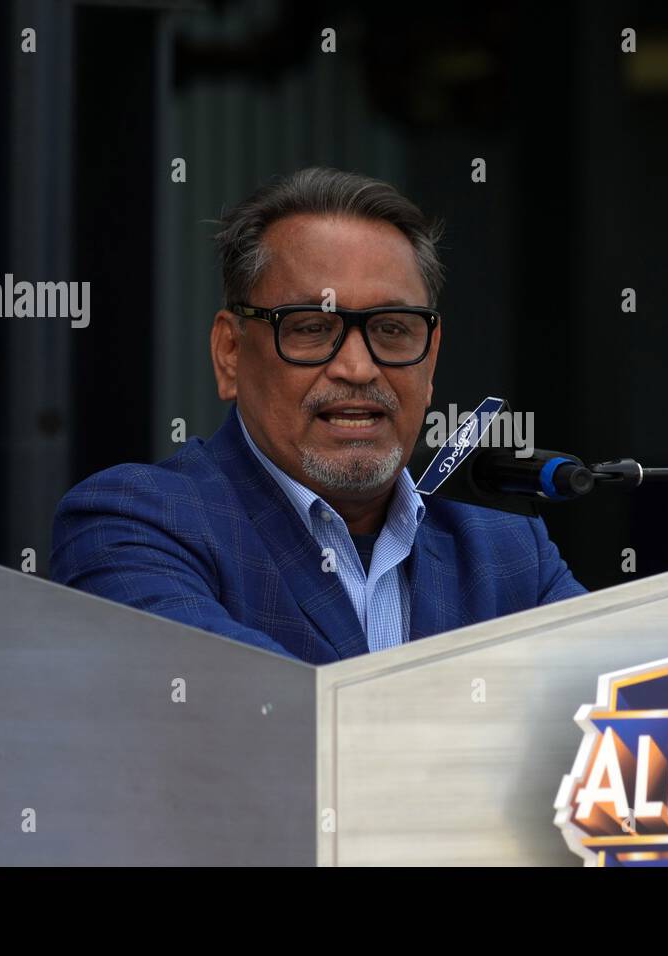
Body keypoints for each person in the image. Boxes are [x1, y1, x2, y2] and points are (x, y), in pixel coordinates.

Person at [51, 167, 584, 663]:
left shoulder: (506, 547)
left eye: (392, 329)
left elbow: (617, 706)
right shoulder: (134, 525)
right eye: (310, 327)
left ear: (431, 357)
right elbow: (267, 713)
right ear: (230, 354)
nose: (358, 367)